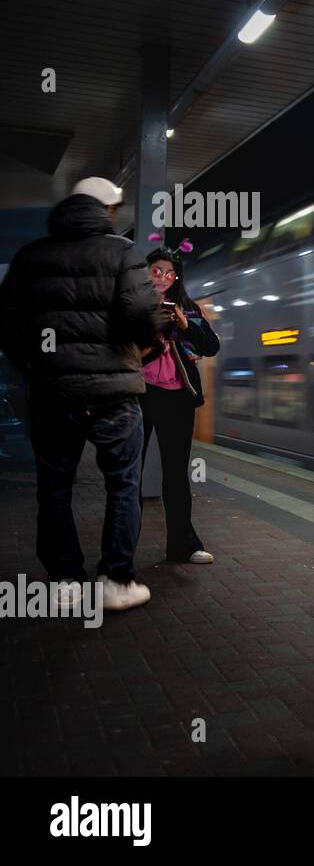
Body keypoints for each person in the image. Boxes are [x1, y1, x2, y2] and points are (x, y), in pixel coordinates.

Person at [0, 177, 161, 611]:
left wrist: (37, 365)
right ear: (107, 210)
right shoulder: (122, 252)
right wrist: (142, 348)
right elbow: (143, 312)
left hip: (53, 393)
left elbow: (8, 325)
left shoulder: (31, 256)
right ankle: (115, 580)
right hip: (114, 394)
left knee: (54, 489)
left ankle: (64, 582)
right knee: (123, 485)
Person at [139, 239, 221, 564]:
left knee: (176, 473)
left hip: (178, 398)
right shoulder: (131, 305)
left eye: (170, 274)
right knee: (130, 473)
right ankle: (119, 551)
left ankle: (183, 545)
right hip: (140, 395)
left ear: (177, 279)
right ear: (145, 274)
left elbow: (212, 346)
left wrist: (184, 326)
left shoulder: (187, 309)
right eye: (156, 271)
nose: (162, 278)